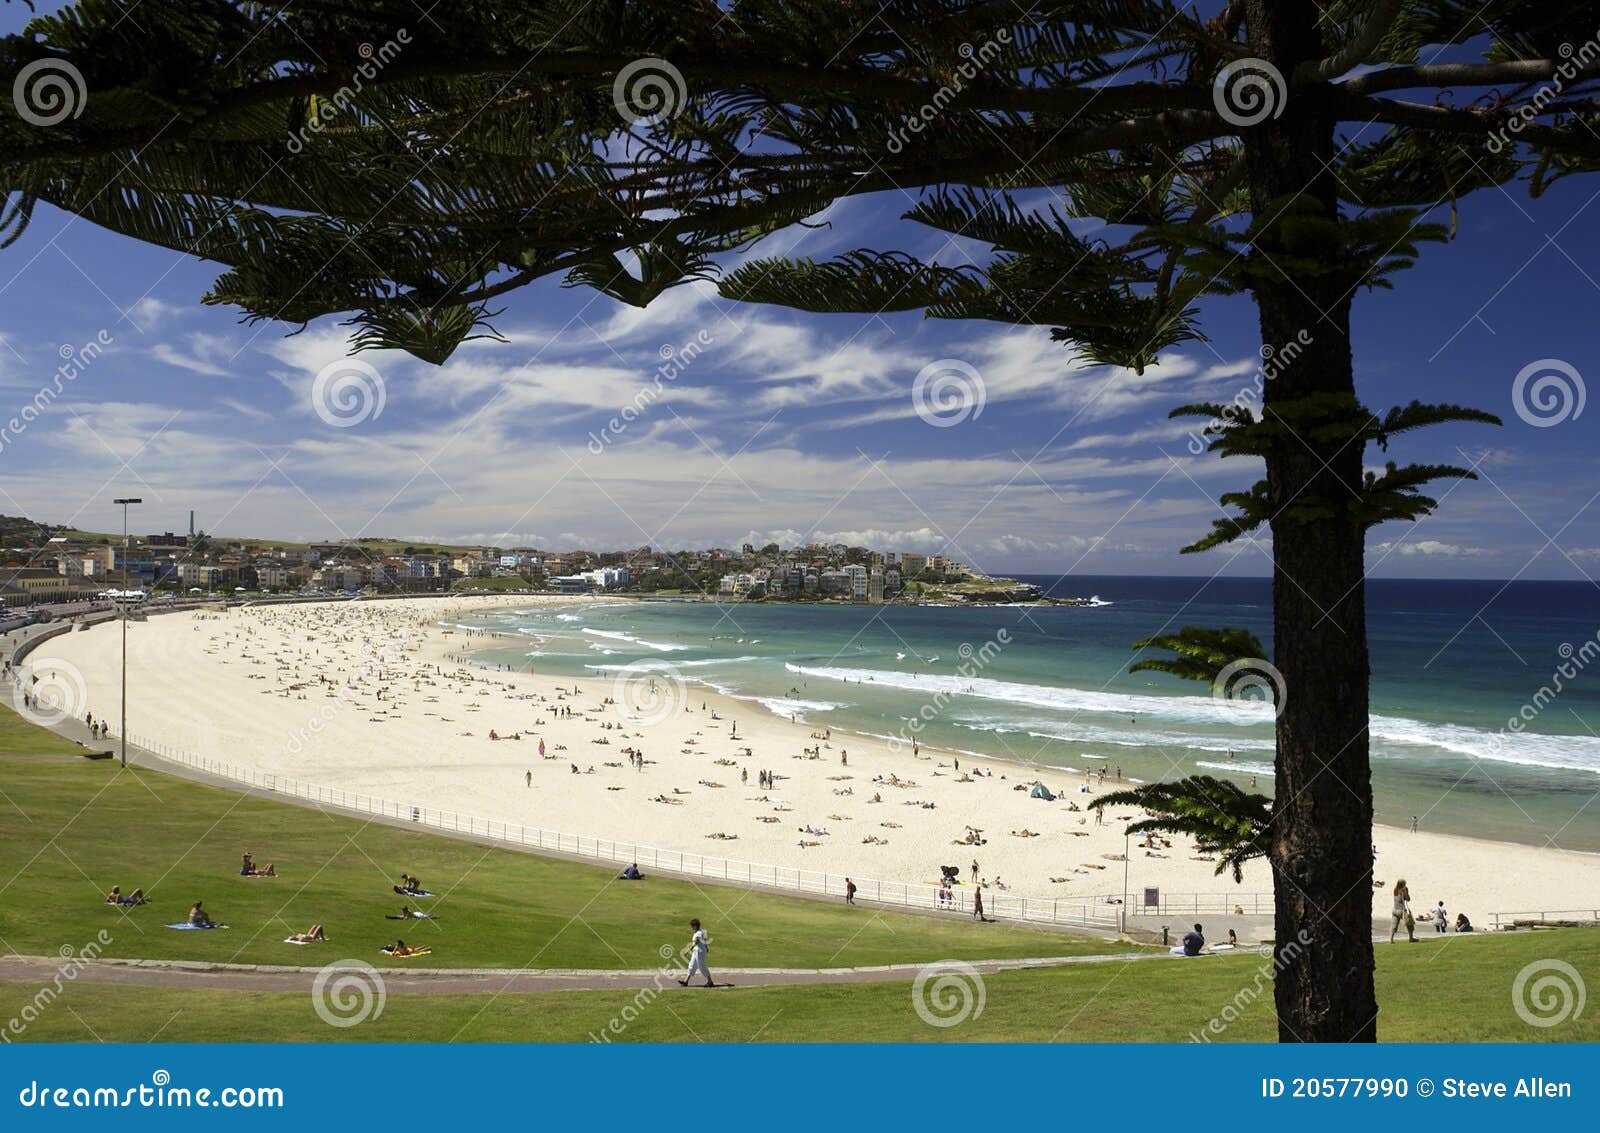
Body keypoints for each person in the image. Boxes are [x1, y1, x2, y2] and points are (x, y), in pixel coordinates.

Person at [678, 918, 714, 987]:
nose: (691, 927)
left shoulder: (699, 933)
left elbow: (696, 942)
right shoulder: (699, 932)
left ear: (695, 926)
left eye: (692, 926)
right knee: (691, 965)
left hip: (699, 952)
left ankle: (710, 982)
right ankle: (686, 981)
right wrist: (706, 947)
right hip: (696, 951)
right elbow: (704, 940)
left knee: (702, 966)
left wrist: (688, 950)